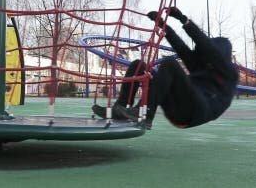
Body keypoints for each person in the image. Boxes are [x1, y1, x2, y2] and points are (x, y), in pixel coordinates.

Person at [92, 7, 238, 129]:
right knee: (138, 65)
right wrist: (162, 24)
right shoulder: (201, 66)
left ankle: (145, 114)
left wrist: (183, 19)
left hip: (196, 111)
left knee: (170, 64)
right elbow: (180, 46)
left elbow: (207, 46)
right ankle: (120, 108)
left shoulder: (229, 72)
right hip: (178, 106)